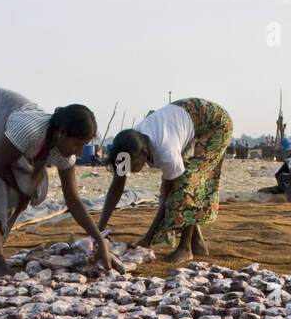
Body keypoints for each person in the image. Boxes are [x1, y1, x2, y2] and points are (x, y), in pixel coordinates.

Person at [0, 86, 119, 277]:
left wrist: (100, 241)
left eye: (83, 146)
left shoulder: (63, 153)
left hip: (3, 123)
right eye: (77, 145)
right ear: (61, 132)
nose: (78, 152)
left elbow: (73, 201)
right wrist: (21, 191)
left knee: (23, 190)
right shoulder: (29, 130)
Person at [98, 98, 233, 264]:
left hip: (215, 123)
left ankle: (186, 248)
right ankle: (197, 243)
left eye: (133, 166)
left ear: (144, 154)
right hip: (186, 116)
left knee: (188, 185)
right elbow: (117, 186)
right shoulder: (128, 144)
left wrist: (148, 238)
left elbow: (169, 195)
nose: (130, 171)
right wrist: (100, 229)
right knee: (180, 186)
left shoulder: (165, 151)